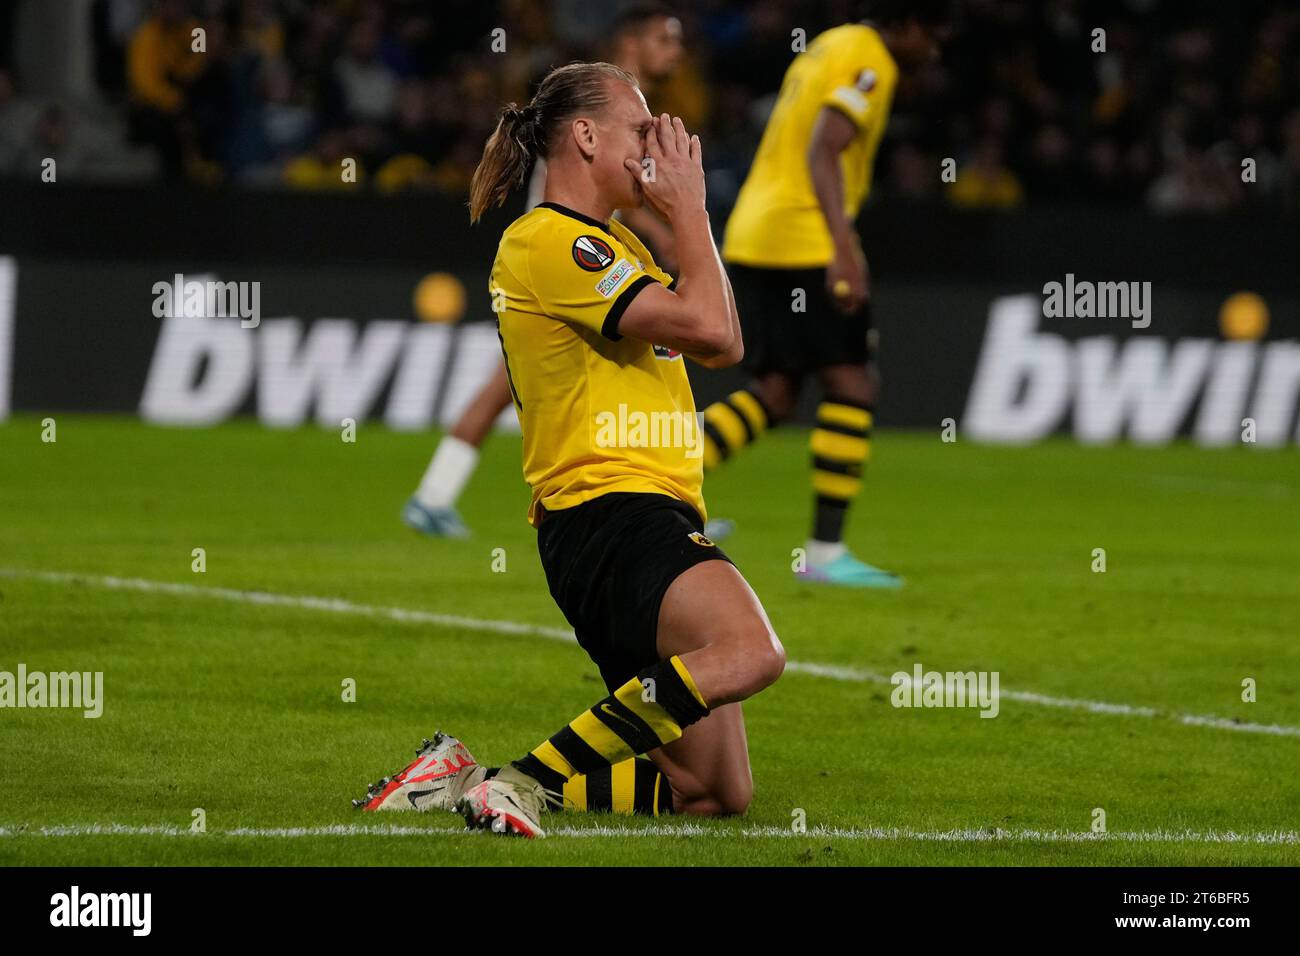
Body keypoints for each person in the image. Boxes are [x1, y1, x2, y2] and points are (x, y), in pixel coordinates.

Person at [356, 61, 784, 838]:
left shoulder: (618, 248)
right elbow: (717, 332)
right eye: (640, 126)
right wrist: (691, 209)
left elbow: (724, 339)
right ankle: (522, 783)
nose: (656, 143)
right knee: (751, 651)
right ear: (585, 136)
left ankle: (464, 782)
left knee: (716, 794)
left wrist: (683, 219)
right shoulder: (551, 242)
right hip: (612, 516)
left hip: (636, 521)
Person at [402, 3, 684, 538]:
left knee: (506, 386)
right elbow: (607, 197)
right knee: (505, 387)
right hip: (566, 260)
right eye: (665, 40)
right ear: (632, 43)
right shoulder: (605, 105)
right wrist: (670, 233)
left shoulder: (614, 104)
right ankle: (432, 495)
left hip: (583, 254)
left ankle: (434, 494)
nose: (677, 51)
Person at [699, 1, 948, 587]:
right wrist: (844, 246)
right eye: (932, 34)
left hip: (756, 231)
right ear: (906, 23)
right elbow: (825, 145)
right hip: (804, 240)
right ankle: (826, 553)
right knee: (852, 382)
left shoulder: (830, 43)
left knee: (776, 393)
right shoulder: (871, 59)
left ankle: (661, 490)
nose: (933, 51)